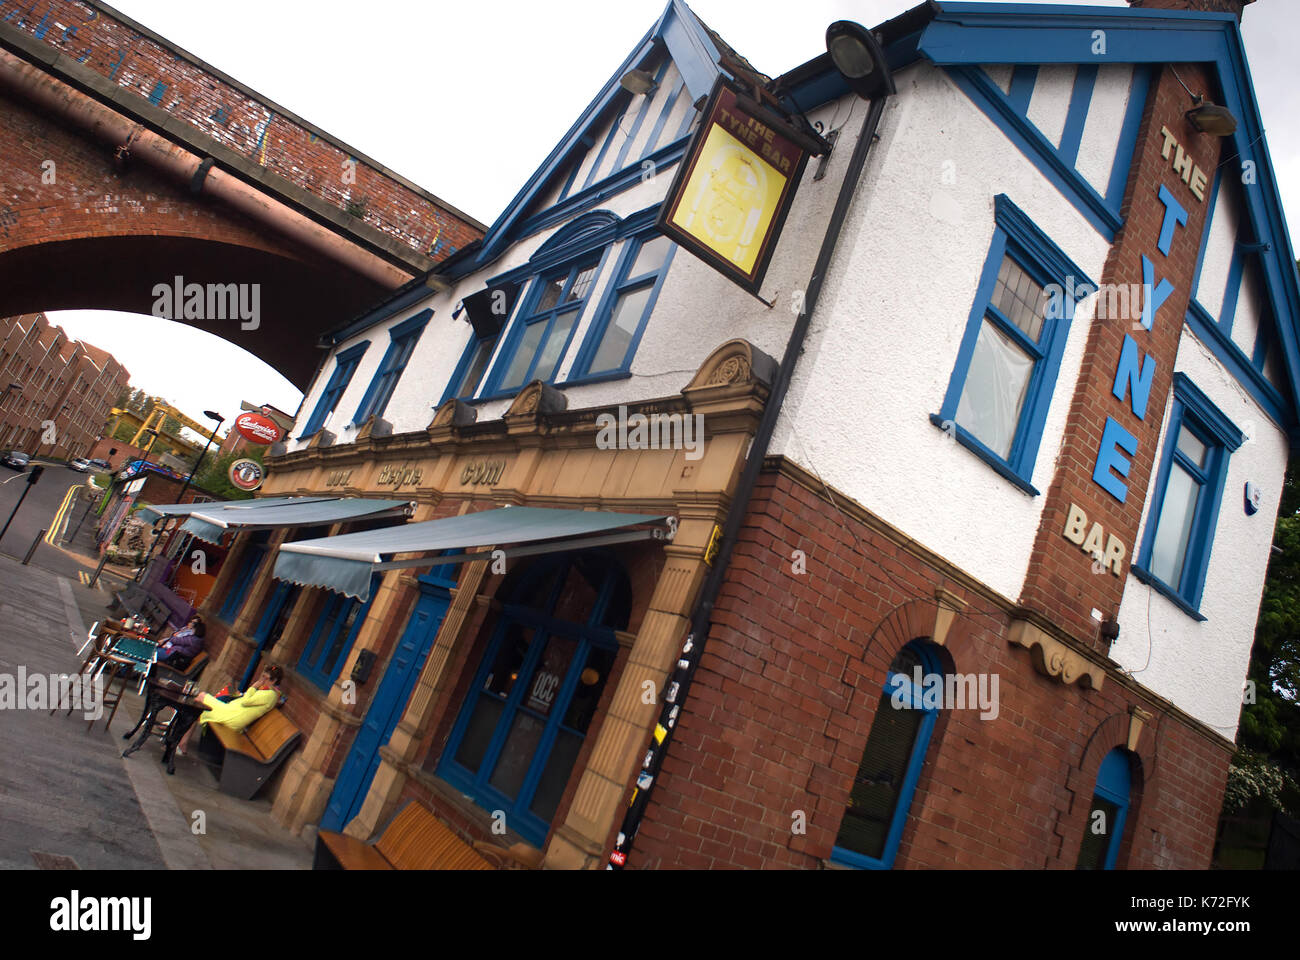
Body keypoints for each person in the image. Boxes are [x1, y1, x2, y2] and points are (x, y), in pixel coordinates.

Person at [176, 665, 283, 756]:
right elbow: (247, 700)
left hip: (234, 717)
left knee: (201, 699)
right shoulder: (266, 691)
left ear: (274, 681)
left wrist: (253, 687)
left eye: (266, 678)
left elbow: (245, 702)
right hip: (232, 711)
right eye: (262, 676)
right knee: (198, 706)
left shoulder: (271, 695)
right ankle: (181, 742)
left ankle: (179, 741)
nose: (262, 680)